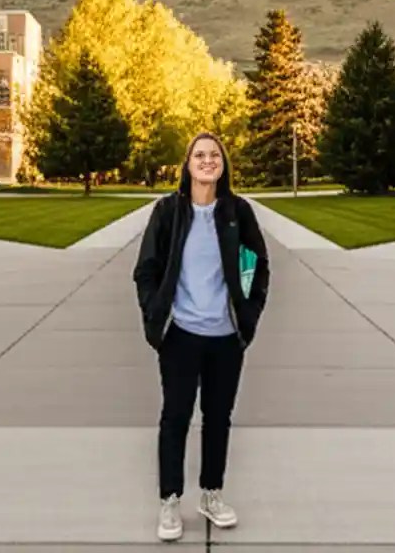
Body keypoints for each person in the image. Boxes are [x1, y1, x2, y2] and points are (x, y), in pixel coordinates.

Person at [132, 131, 271, 541]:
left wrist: (248, 316)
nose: (208, 161)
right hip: (180, 335)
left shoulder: (238, 213)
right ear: (188, 164)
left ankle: (212, 494)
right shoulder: (168, 212)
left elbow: (258, 266)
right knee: (175, 417)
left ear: (223, 165)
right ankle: (170, 500)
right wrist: (156, 317)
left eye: (214, 155)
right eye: (200, 155)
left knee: (218, 419)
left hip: (226, 338)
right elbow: (145, 270)